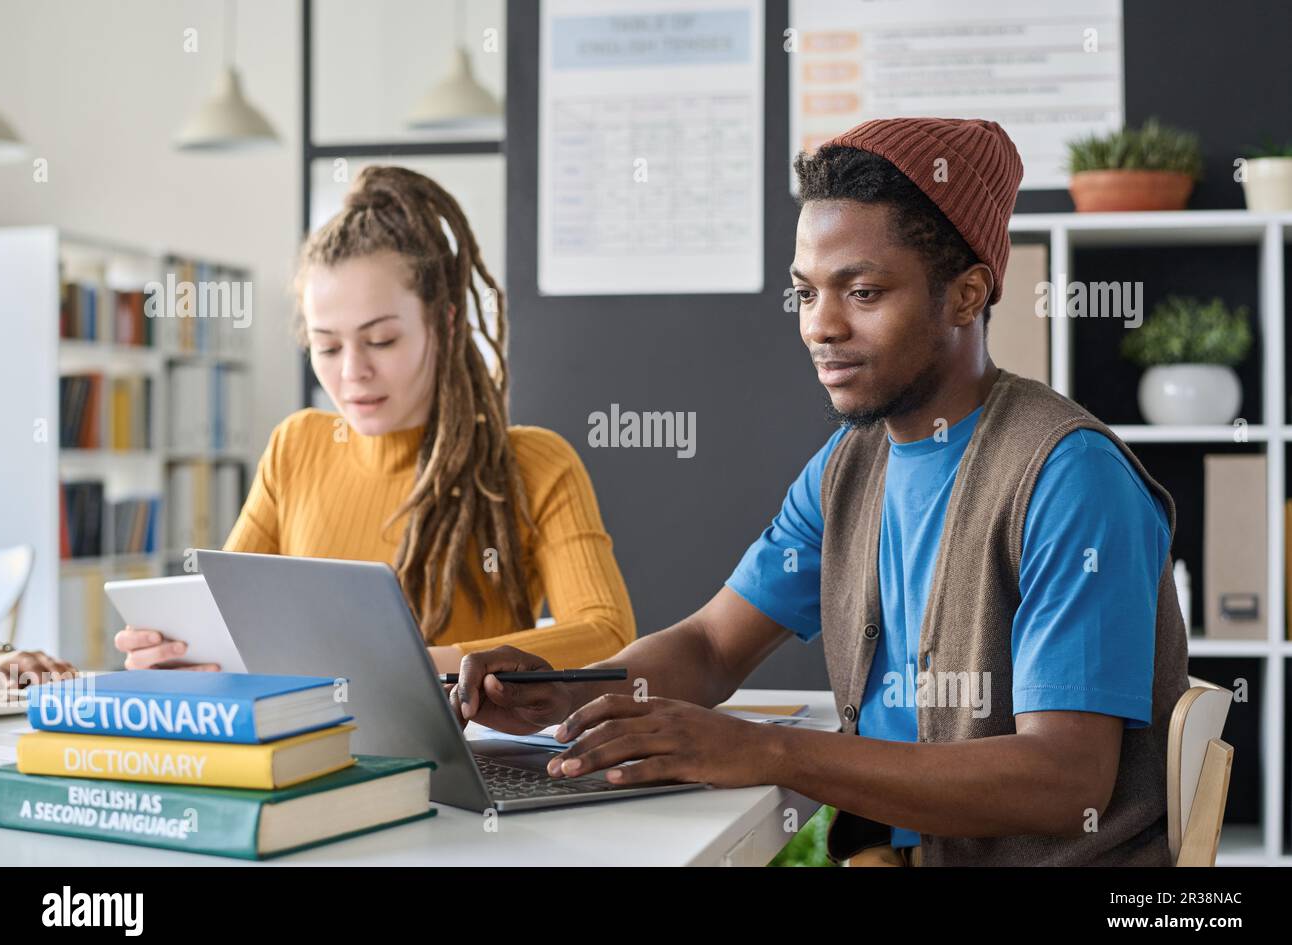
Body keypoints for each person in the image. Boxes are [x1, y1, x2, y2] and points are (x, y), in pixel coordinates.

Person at [448, 118, 1189, 867]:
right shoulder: (851, 465)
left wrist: (772, 752)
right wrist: (572, 691)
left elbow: (1066, 780)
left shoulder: (1069, 477)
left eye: (863, 292)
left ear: (966, 296)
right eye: (806, 294)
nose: (820, 327)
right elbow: (710, 646)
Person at [116, 166, 635, 674]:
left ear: (445, 322)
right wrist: (176, 652)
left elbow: (607, 634)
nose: (352, 372)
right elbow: (223, 619)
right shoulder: (295, 447)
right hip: (306, 751)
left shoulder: (533, 464)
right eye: (327, 345)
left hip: (461, 754)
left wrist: (422, 668)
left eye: (381, 340)